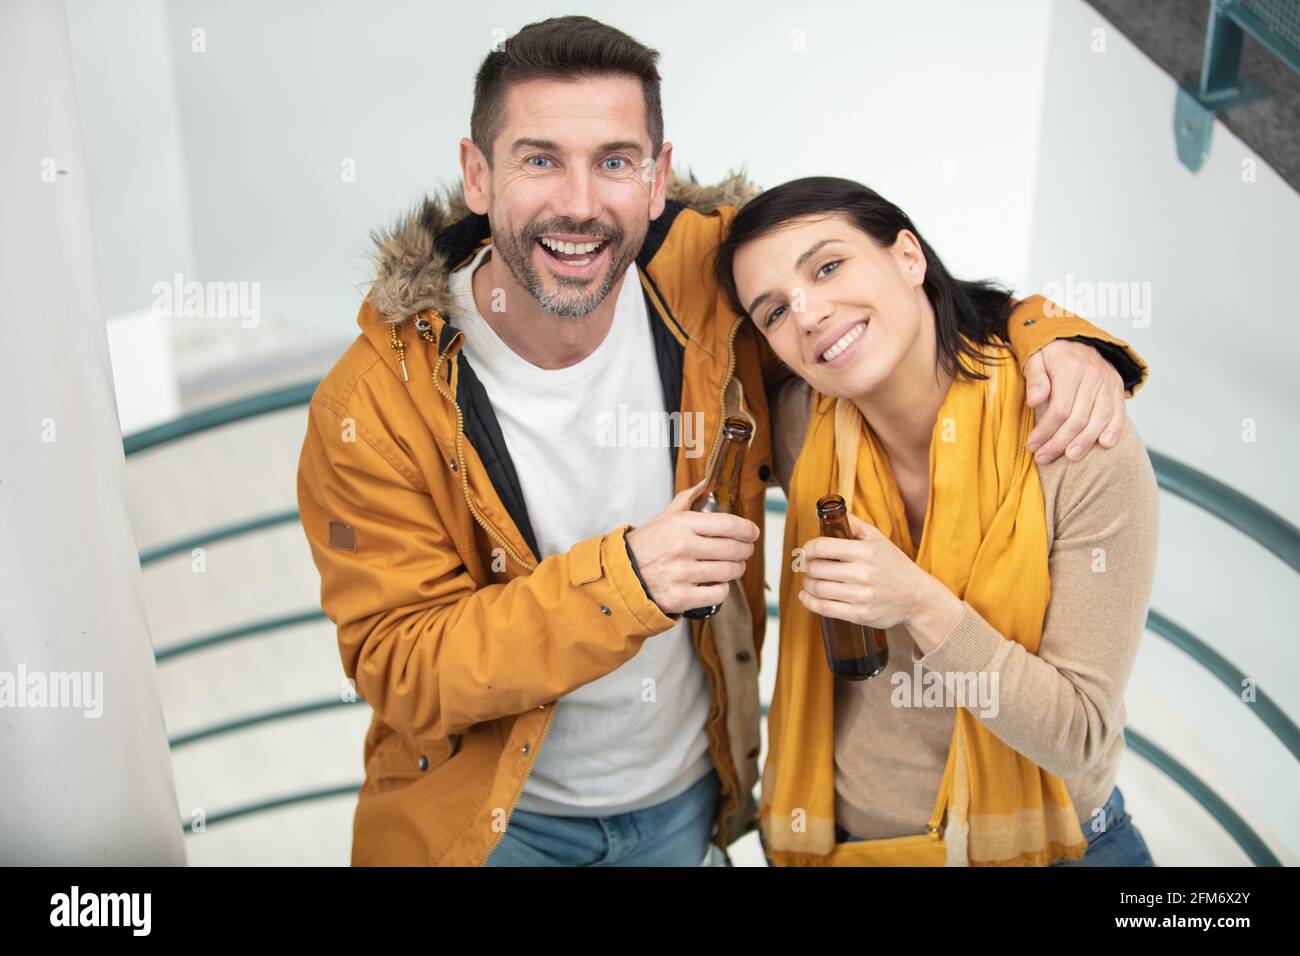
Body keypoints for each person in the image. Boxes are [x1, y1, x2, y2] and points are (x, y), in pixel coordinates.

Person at [296, 17, 1144, 867]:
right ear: (477, 175)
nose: (581, 204)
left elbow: (877, 312)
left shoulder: (718, 290)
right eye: (540, 159)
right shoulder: (373, 405)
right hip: (492, 826)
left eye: (616, 161)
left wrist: (1052, 337)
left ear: (659, 179)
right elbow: (399, 668)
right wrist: (625, 582)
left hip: (688, 804)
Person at [715, 176, 1158, 866]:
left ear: (908, 258)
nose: (806, 314)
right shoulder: (799, 421)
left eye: (828, 266)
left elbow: (1077, 732)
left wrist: (917, 603)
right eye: (773, 312)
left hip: (1065, 846)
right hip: (858, 847)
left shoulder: (1074, 438)